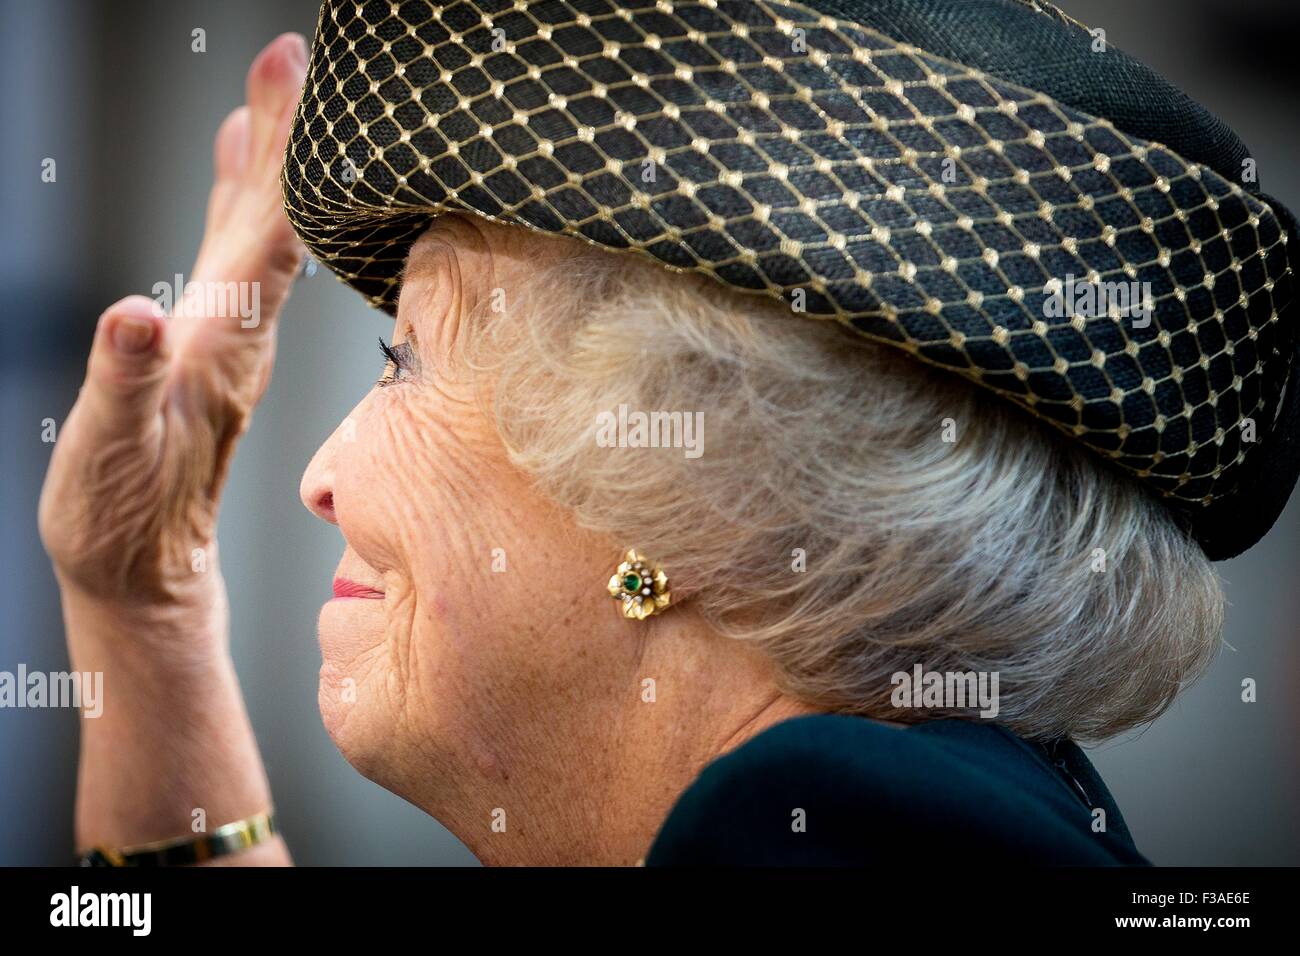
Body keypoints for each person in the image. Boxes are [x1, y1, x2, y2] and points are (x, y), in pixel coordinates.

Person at [39, 0, 1298, 867]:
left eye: (408, 358)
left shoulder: (831, 824)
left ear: (699, 486)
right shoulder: (940, 801)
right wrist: (141, 609)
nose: (319, 474)